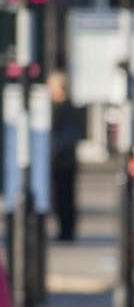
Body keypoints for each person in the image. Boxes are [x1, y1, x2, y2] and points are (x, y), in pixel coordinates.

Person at [48, 71, 85, 242]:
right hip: (58, 159)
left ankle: (67, 230)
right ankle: (64, 229)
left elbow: (69, 135)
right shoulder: (51, 107)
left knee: (65, 196)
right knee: (59, 196)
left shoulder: (66, 108)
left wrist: (56, 148)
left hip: (64, 160)